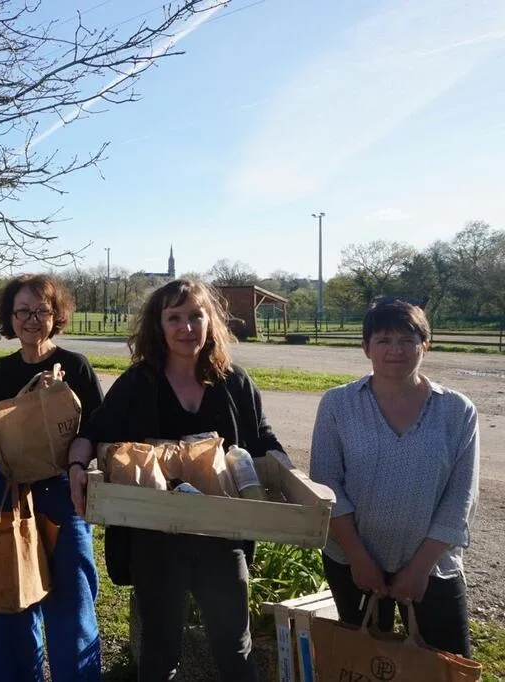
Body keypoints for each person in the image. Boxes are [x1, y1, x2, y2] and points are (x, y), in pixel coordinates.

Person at [70, 278, 285, 682]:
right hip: (156, 540)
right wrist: (77, 468)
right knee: (159, 649)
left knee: (234, 648)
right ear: (159, 324)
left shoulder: (234, 382)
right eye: (174, 318)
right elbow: (92, 433)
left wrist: (290, 473)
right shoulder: (139, 383)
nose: (186, 328)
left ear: (210, 321)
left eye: (195, 316)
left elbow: (264, 440)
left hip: (222, 537)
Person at [309, 299, 479, 656]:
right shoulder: (338, 404)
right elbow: (326, 483)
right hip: (353, 561)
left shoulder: (457, 410)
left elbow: (460, 497)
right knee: (366, 662)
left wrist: (419, 568)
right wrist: (358, 558)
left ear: (425, 345)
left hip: (432, 565)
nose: (395, 350)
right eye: (384, 340)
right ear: (366, 347)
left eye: (407, 340)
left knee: (447, 665)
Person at [0, 274, 103, 682]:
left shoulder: (75, 366)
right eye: (23, 312)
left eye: (41, 311)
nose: (32, 320)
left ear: (56, 316)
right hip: (12, 493)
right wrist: (25, 408)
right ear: (10, 318)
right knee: (13, 599)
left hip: (64, 493)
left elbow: (98, 429)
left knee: (72, 602)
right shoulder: (0, 372)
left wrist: (59, 401)